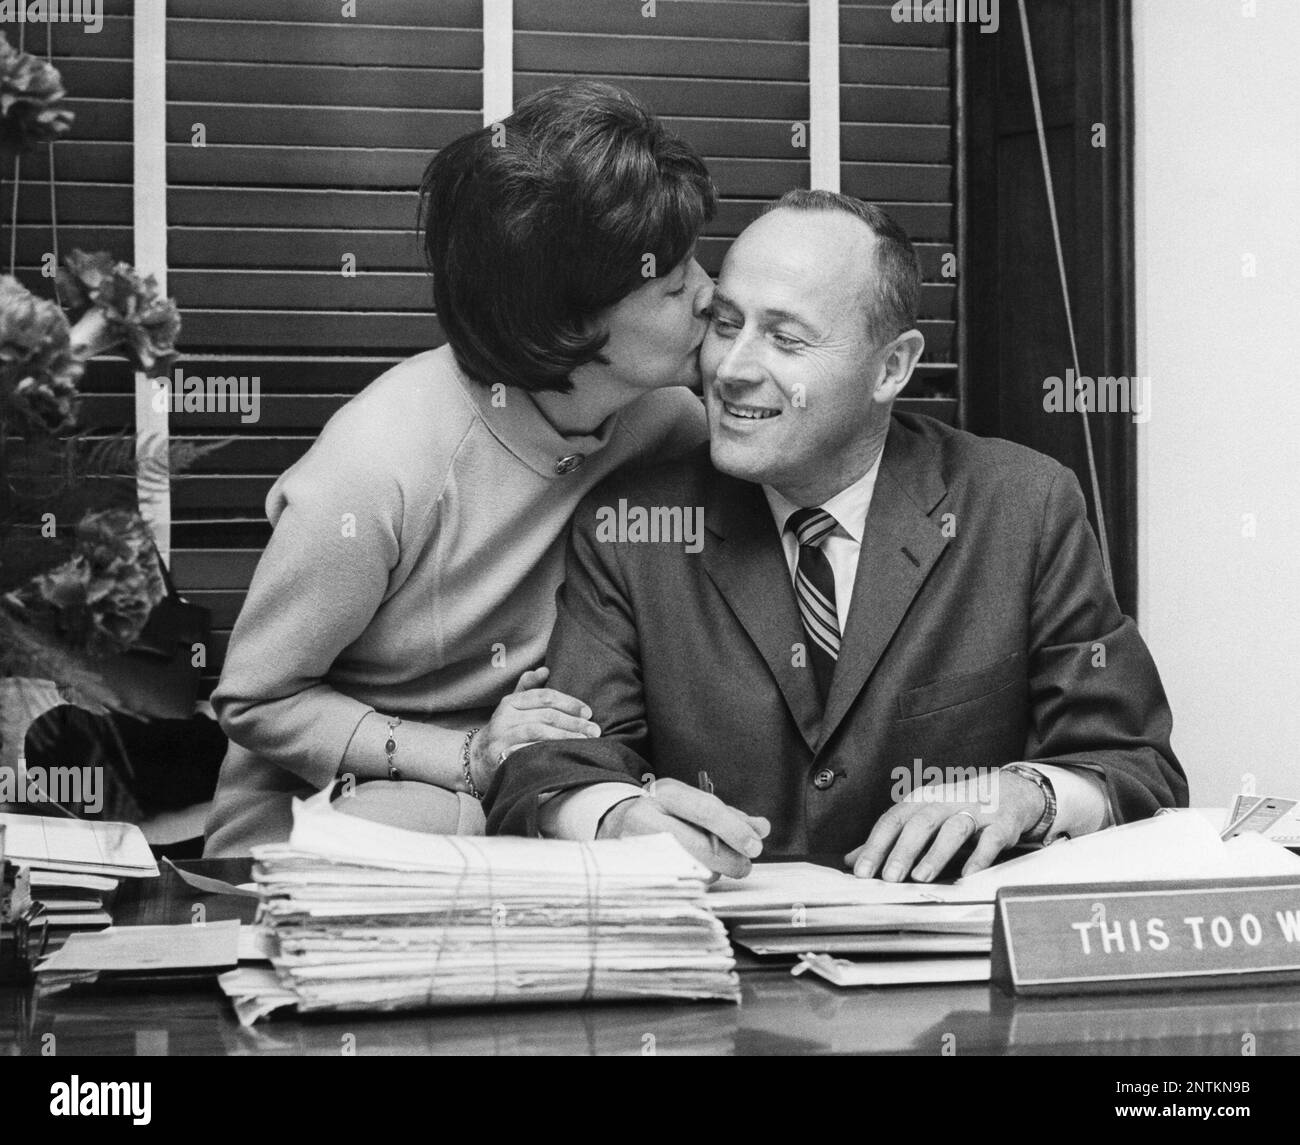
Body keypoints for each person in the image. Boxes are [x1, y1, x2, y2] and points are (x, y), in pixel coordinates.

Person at [485, 189, 1187, 882]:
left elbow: (1137, 764)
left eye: (786, 339)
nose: (731, 369)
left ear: (891, 367)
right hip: (722, 967)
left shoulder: (1024, 507)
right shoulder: (632, 528)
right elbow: (550, 770)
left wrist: (1026, 795)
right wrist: (616, 818)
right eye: (726, 324)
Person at [203, 81, 716, 856]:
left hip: (531, 822)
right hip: (322, 843)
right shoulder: (379, 466)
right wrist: (466, 756)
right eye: (676, 285)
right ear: (569, 325)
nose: (714, 295)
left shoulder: (671, 424)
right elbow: (257, 698)